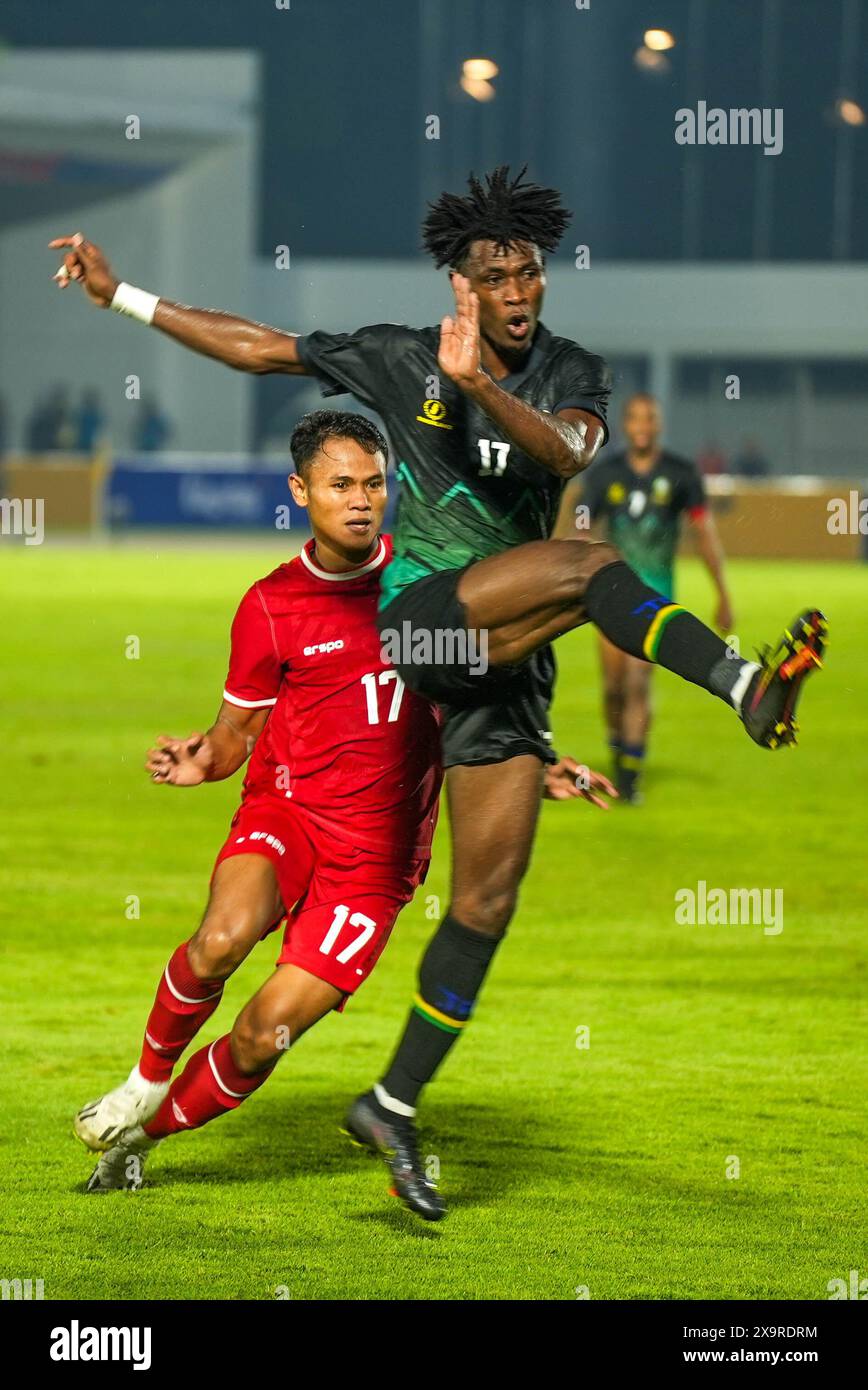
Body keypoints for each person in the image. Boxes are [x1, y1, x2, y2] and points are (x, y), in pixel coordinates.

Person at [50, 166, 826, 1219]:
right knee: (589, 566)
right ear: (460, 285)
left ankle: (392, 1100)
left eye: (530, 271)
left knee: (483, 901)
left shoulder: (570, 372)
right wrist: (123, 296)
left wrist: (479, 388)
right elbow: (258, 344)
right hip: (420, 619)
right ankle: (737, 683)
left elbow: (560, 451)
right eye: (495, 274)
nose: (517, 291)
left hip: (504, 658)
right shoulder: (395, 354)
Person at [77, 409, 613, 1205]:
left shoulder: (431, 588)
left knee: (263, 1035)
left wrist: (533, 761)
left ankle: (139, 1142)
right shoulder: (270, 605)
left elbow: (477, 697)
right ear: (301, 492)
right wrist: (203, 761)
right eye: (339, 486)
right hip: (287, 813)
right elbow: (234, 737)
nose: (360, 501)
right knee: (220, 939)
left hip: (377, 863)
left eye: (373, 484)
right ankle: (143, 1085)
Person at [558, 393, 734, 803]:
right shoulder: (605, 475)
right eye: (635, 418)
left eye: (649, 418)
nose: (642, 425)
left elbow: (704, 534)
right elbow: (579, 526)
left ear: (658, 425)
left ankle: (630, 778)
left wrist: (722, 594)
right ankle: (621, 751)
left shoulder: (681, 474)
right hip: (610, 594)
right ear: (626, 424)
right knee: (614, 687)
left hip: (656, 595)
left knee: (637, 682)